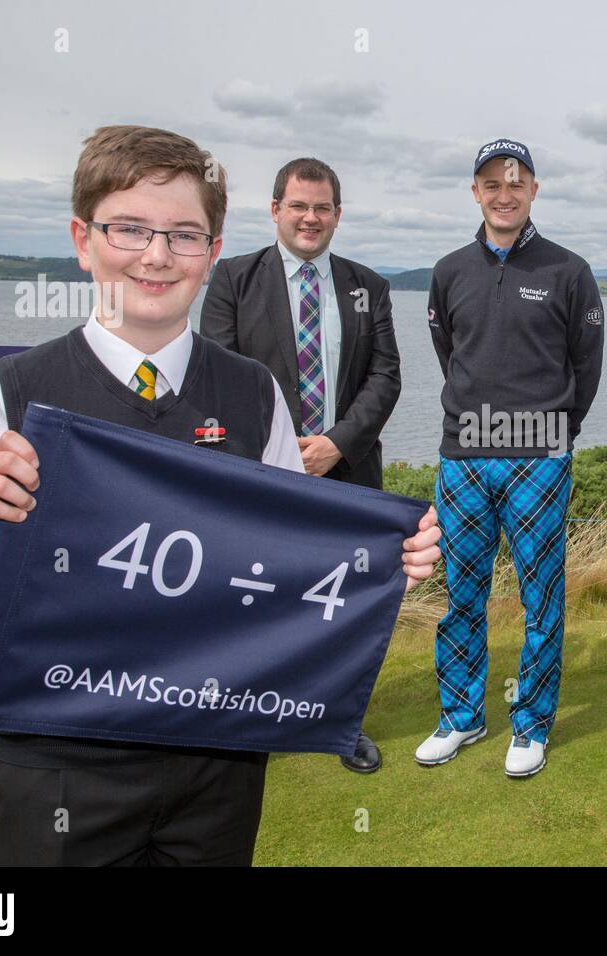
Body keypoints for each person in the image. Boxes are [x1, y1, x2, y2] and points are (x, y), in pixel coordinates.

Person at [0, 125, 442, 866]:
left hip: (217, 764)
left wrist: (383, 555)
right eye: (129, 228)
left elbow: (294, 560)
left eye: (184, 235)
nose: (157, 255)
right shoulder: (14, 391)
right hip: (60, 765)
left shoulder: (254, 395)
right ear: (82, 239)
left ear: (212, 252)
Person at [201, 157, 401, 773]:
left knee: (345, 602)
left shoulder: (369, 284)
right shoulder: (233, 278)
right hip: (262, 473)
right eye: (298, 206)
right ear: (275, 210)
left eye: (322, 208)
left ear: (337, 215)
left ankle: (342, 722)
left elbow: (386, 376)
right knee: (261, 596)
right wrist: (285, 449)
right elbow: (216, 372)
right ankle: (255, 716)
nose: (310, 218)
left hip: (348, 470)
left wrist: (338, 442)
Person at [416, 138, 604, 777]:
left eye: (516, 182)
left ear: (533, 189)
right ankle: (463, 717)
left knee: (540, 597)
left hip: (539, 458)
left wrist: (556, 434)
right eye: (491, 183)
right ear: (476, 191)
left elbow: (586, 365)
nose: (504, 193)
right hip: (463, 456)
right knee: (462, 594)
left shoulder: (568, 270)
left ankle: (532, 724)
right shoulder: (448, 271)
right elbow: (450, 354)